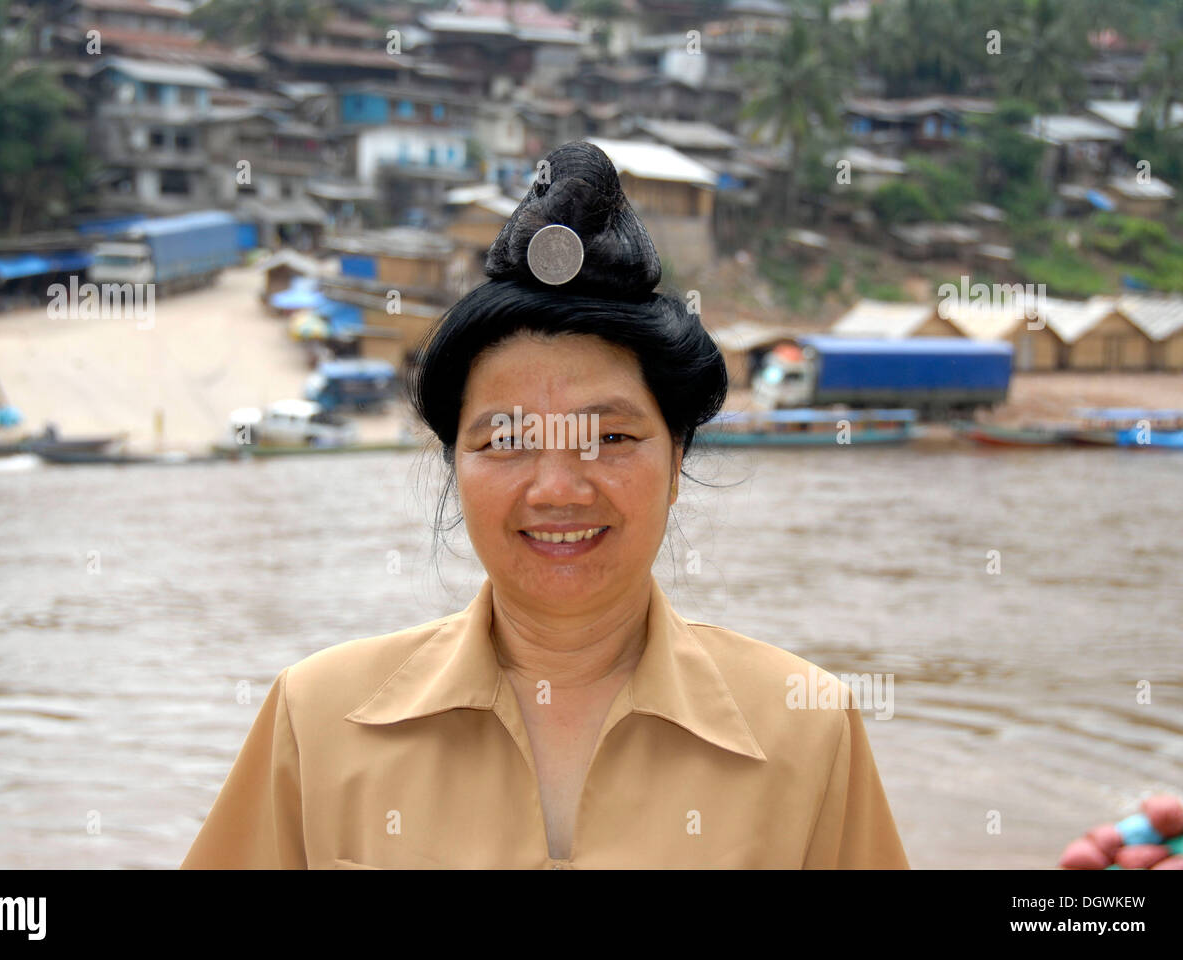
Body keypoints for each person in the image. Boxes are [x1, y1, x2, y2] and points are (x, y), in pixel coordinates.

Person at [181, 140, 909, 869]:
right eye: (506, 441)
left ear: (678, 458)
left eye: (611, 436)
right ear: (452, 464)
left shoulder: (808, 731)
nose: (558, 489)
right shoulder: (317, 721)